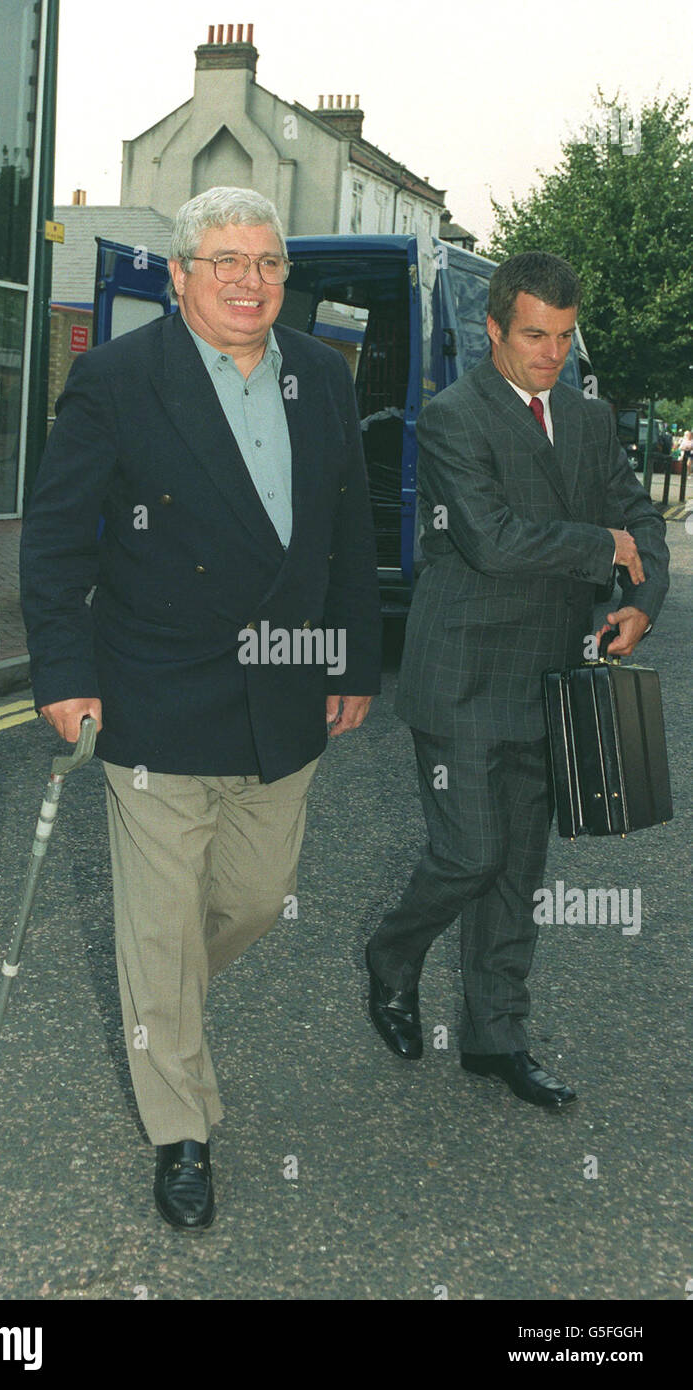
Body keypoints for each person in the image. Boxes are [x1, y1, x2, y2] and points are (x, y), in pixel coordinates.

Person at [20, 187, 381, 1230]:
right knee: (158, 926)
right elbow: (53, 541)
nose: (247, 280)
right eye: (223, 261)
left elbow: (345, 533)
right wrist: (62, 672)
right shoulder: (116, 378)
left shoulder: (320, 374)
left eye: (266, 262)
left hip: (287, 689)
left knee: (256, 897)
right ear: (178, 275)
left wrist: (350, 656)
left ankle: (163, 1004)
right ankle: (182, 1130)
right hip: (157, 692)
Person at [365, 251, 669, 1109]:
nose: (551, 355)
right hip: (462, 671)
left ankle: (496, 1039)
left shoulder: (588, 418)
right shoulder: (454, 416)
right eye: (534, 335)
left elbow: (641, 517)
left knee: (517, 872)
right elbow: (494, 540)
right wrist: (601, 547)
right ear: (493, 328)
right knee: (469, 854)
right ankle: (392, 954)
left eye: (565, 338)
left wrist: (643, 598)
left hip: (550, 680)